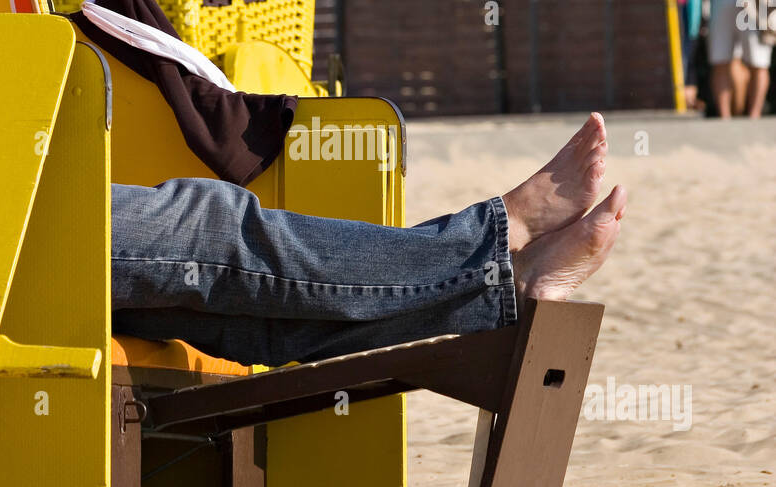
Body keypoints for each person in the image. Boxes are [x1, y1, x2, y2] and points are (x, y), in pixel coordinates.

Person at [111, 114, 625, 367]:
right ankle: (499, 243)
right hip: (35, 229)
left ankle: (511, 278)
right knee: (207, 228)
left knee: (251, 321)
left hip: (45, 243)